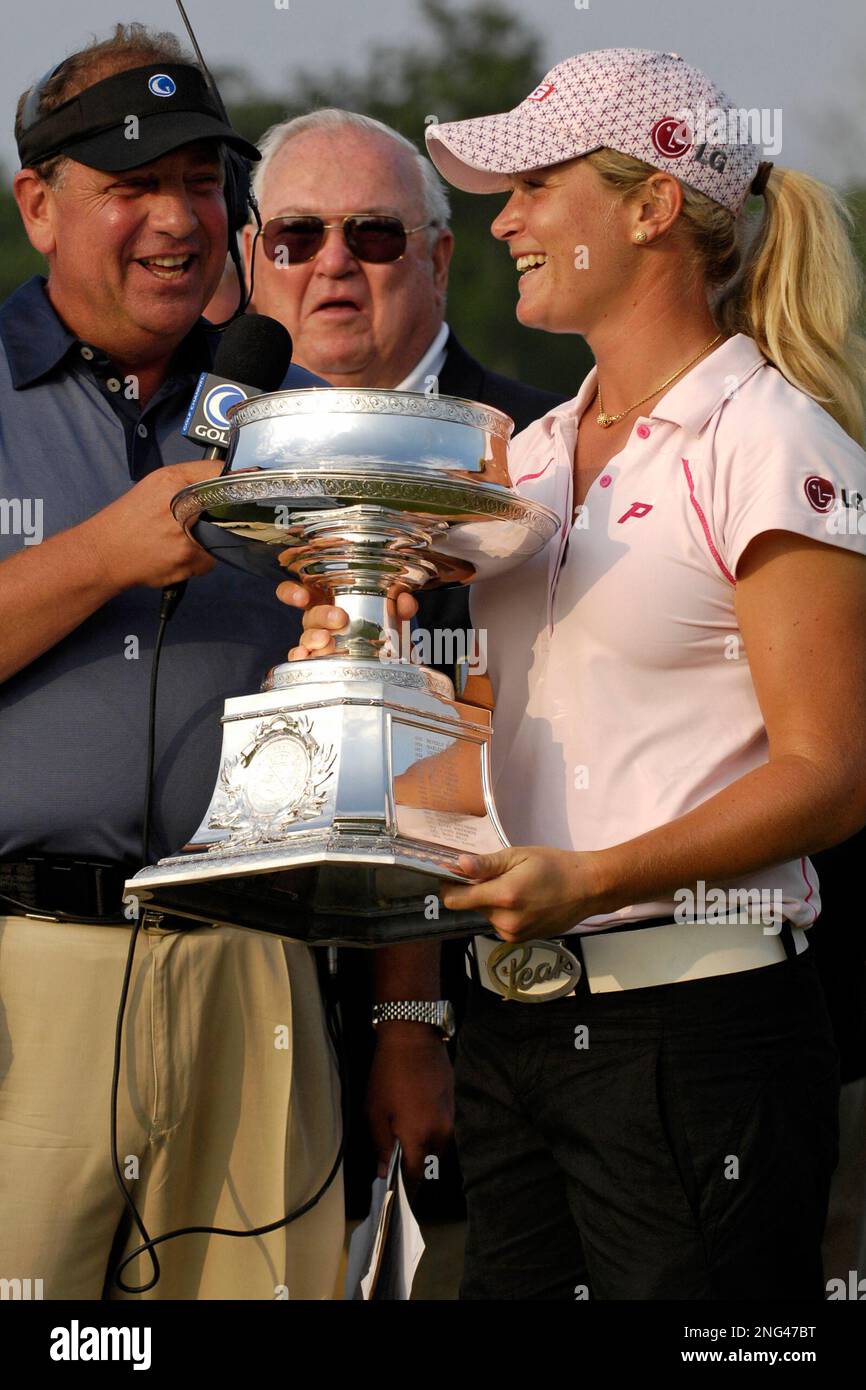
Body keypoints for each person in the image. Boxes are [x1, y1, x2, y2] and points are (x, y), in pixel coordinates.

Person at [284, 47, 866, 1299]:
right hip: (513, 1031)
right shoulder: (531, 456)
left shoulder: (770, 437)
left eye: (535, 184)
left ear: (650, 206)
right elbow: (500, 746)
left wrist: (591, 875)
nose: (505, 220)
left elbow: (828, 775)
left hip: (697, 1031)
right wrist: (345, 718)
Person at [0, 22, 342, 1301]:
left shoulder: (302, 418)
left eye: (202, 183)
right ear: (40, 204)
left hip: (256, 967)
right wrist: (97, 556)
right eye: (132, 184)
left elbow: (412, 727)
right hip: (29, 971)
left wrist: (412, 1018)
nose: (176, 219)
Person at [238, 107, 567, 1227]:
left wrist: (408, 1022)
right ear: (251, 260)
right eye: (295, 238)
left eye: (373, 236)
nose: (332, 263)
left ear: (435, 256)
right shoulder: (192, 468)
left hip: (497, 1023)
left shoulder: (534, 459)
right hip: (226, 1016)